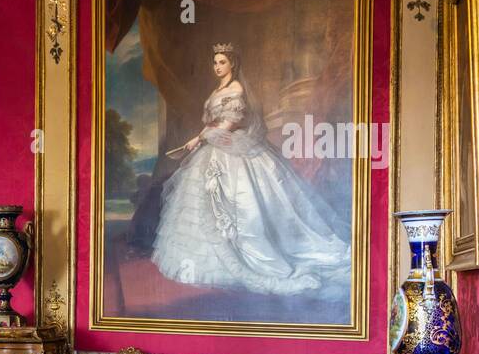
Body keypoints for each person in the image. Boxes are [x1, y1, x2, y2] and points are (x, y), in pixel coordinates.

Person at [149, 42, 351, 299]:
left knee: (245, 204)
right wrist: (198, 138)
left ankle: (261, 253)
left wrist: (200, 139)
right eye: (215, 62)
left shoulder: (236, 88)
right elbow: (214, 122)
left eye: (222, 62)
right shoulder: (218, 89)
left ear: (232, 63)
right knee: (201, 204)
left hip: (231, 148)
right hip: (214, 145)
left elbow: (230, 123)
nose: (217, 67)